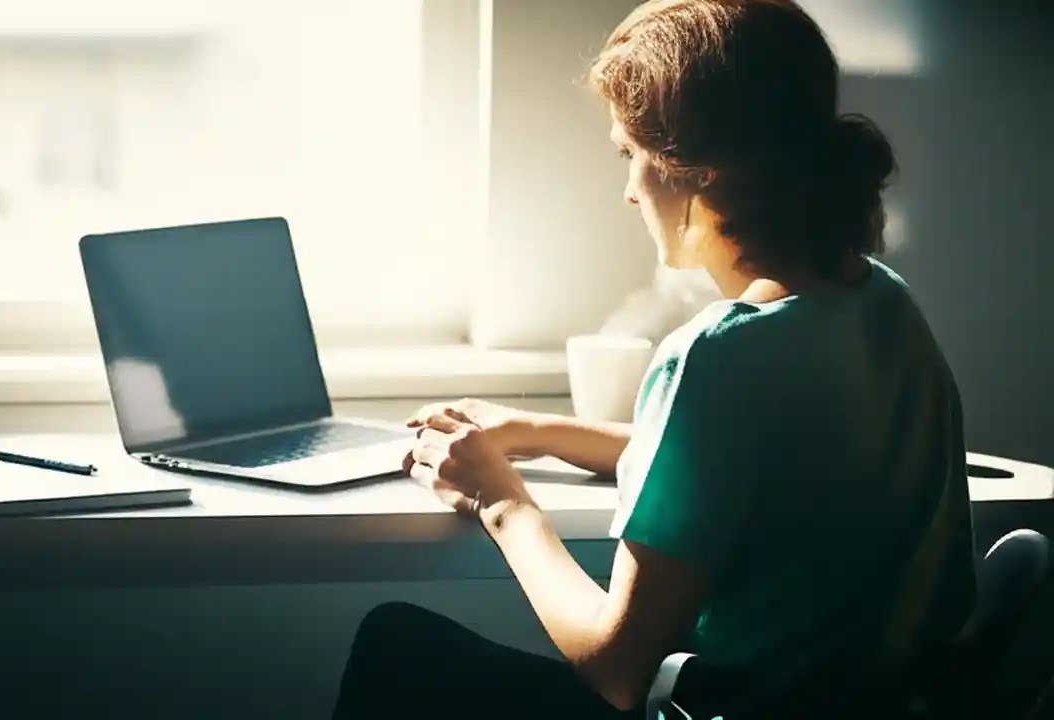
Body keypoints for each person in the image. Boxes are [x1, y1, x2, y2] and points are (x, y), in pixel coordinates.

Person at [332, 1, 976, 717]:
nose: (628, 189)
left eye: (628, 155)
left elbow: (616, 667)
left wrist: (501, 500)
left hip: (732, 707)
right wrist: (535, 431)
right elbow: (742, 464)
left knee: (397, 646)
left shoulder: (717, 353)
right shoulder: (882, 303)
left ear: (694, 170)